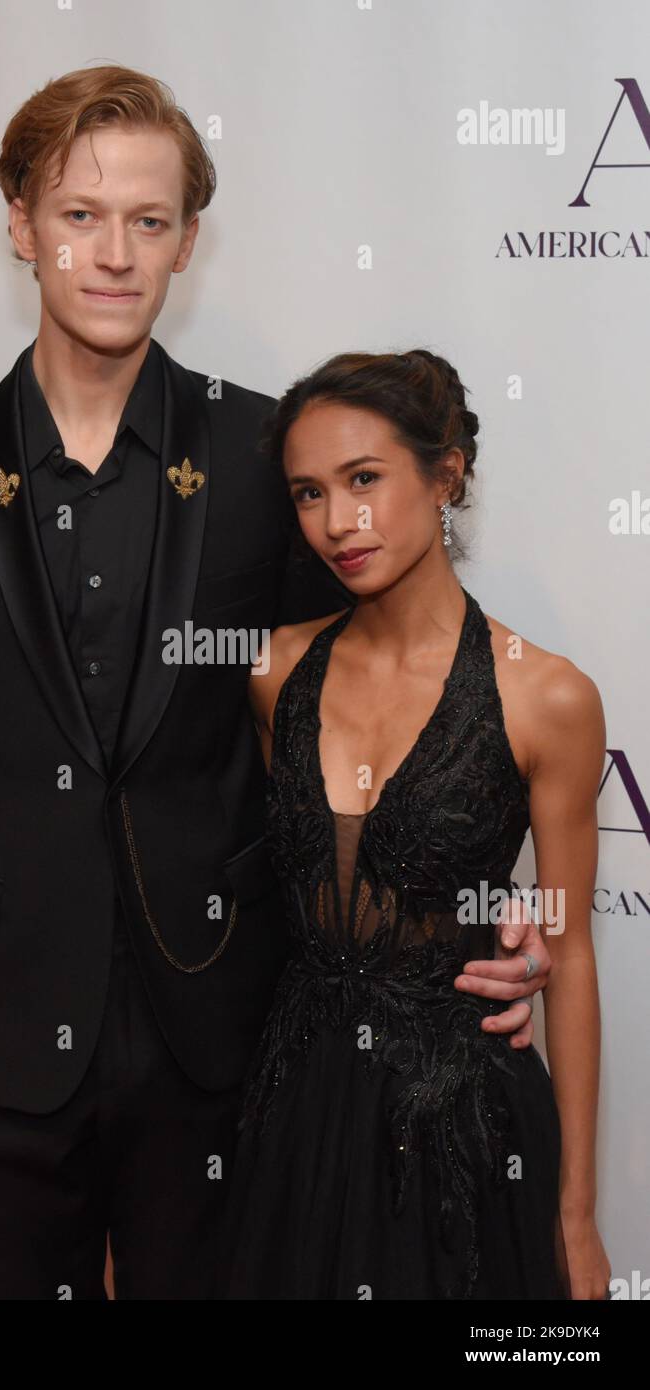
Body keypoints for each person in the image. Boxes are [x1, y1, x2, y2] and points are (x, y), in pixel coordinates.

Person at [0, 67, 549, 1300]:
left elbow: (372, 715)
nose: (114, 253)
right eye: (79, 215)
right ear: (19, 223)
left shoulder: (271, 457)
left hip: (227, 1030)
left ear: (187, 242)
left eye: (148, 221)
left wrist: (478, 910)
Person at [218, 348, 611, 1300]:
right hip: (298, 1108)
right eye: (309, 493)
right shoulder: (275, 672)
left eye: (365, 480)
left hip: (464, 1125)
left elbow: (572, 955)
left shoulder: (546, 695)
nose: (337, 523)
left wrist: (574, 1213)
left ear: (446, 473)